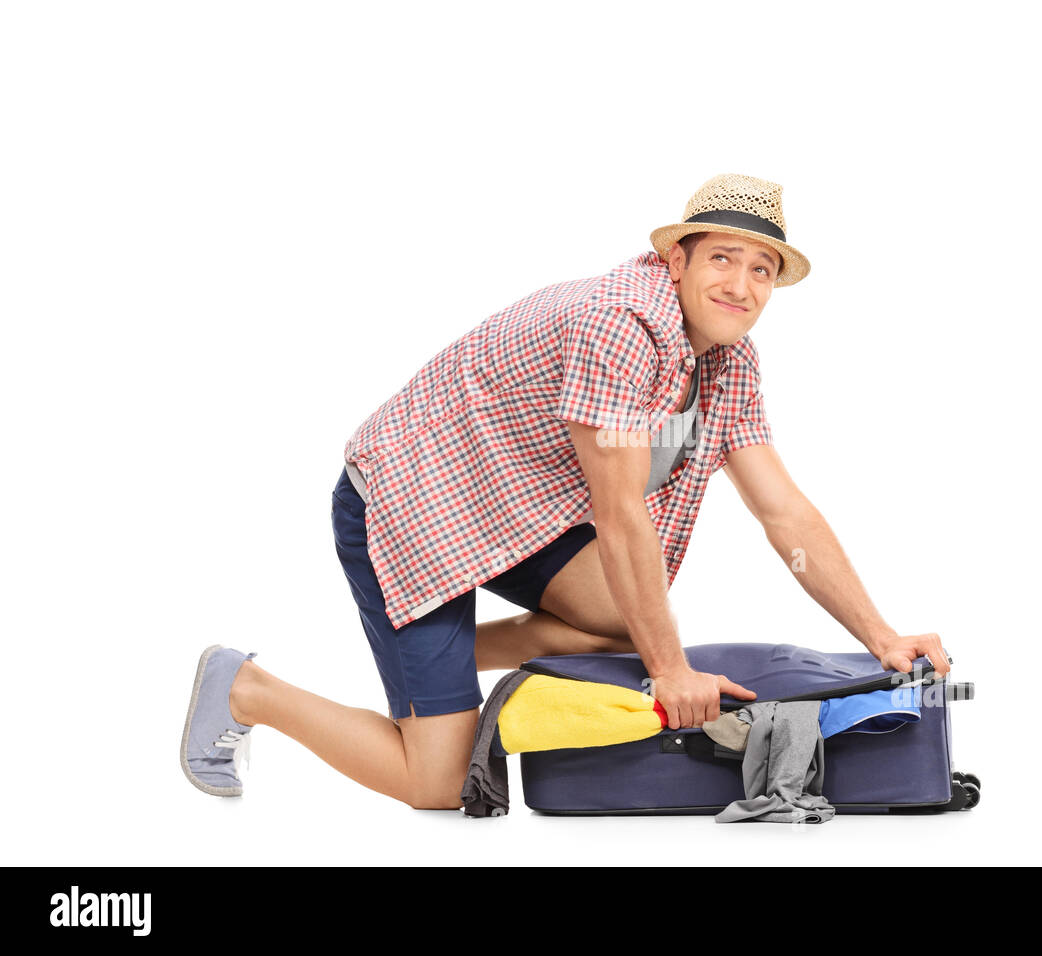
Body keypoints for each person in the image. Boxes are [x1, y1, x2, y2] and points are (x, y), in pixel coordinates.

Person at [179, 173, 952, 810]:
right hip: (412, 497)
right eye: (723, 258)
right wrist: (671, 671)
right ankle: (246, 688)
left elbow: (781, 508)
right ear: (676, 261)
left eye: (761, 269)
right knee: (441, 784)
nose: (742, 285)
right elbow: (618, 517)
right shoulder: (619, 325)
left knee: (630, 619)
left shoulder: (728, 361)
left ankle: (429, 667)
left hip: (517, 509)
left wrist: (881, 636)